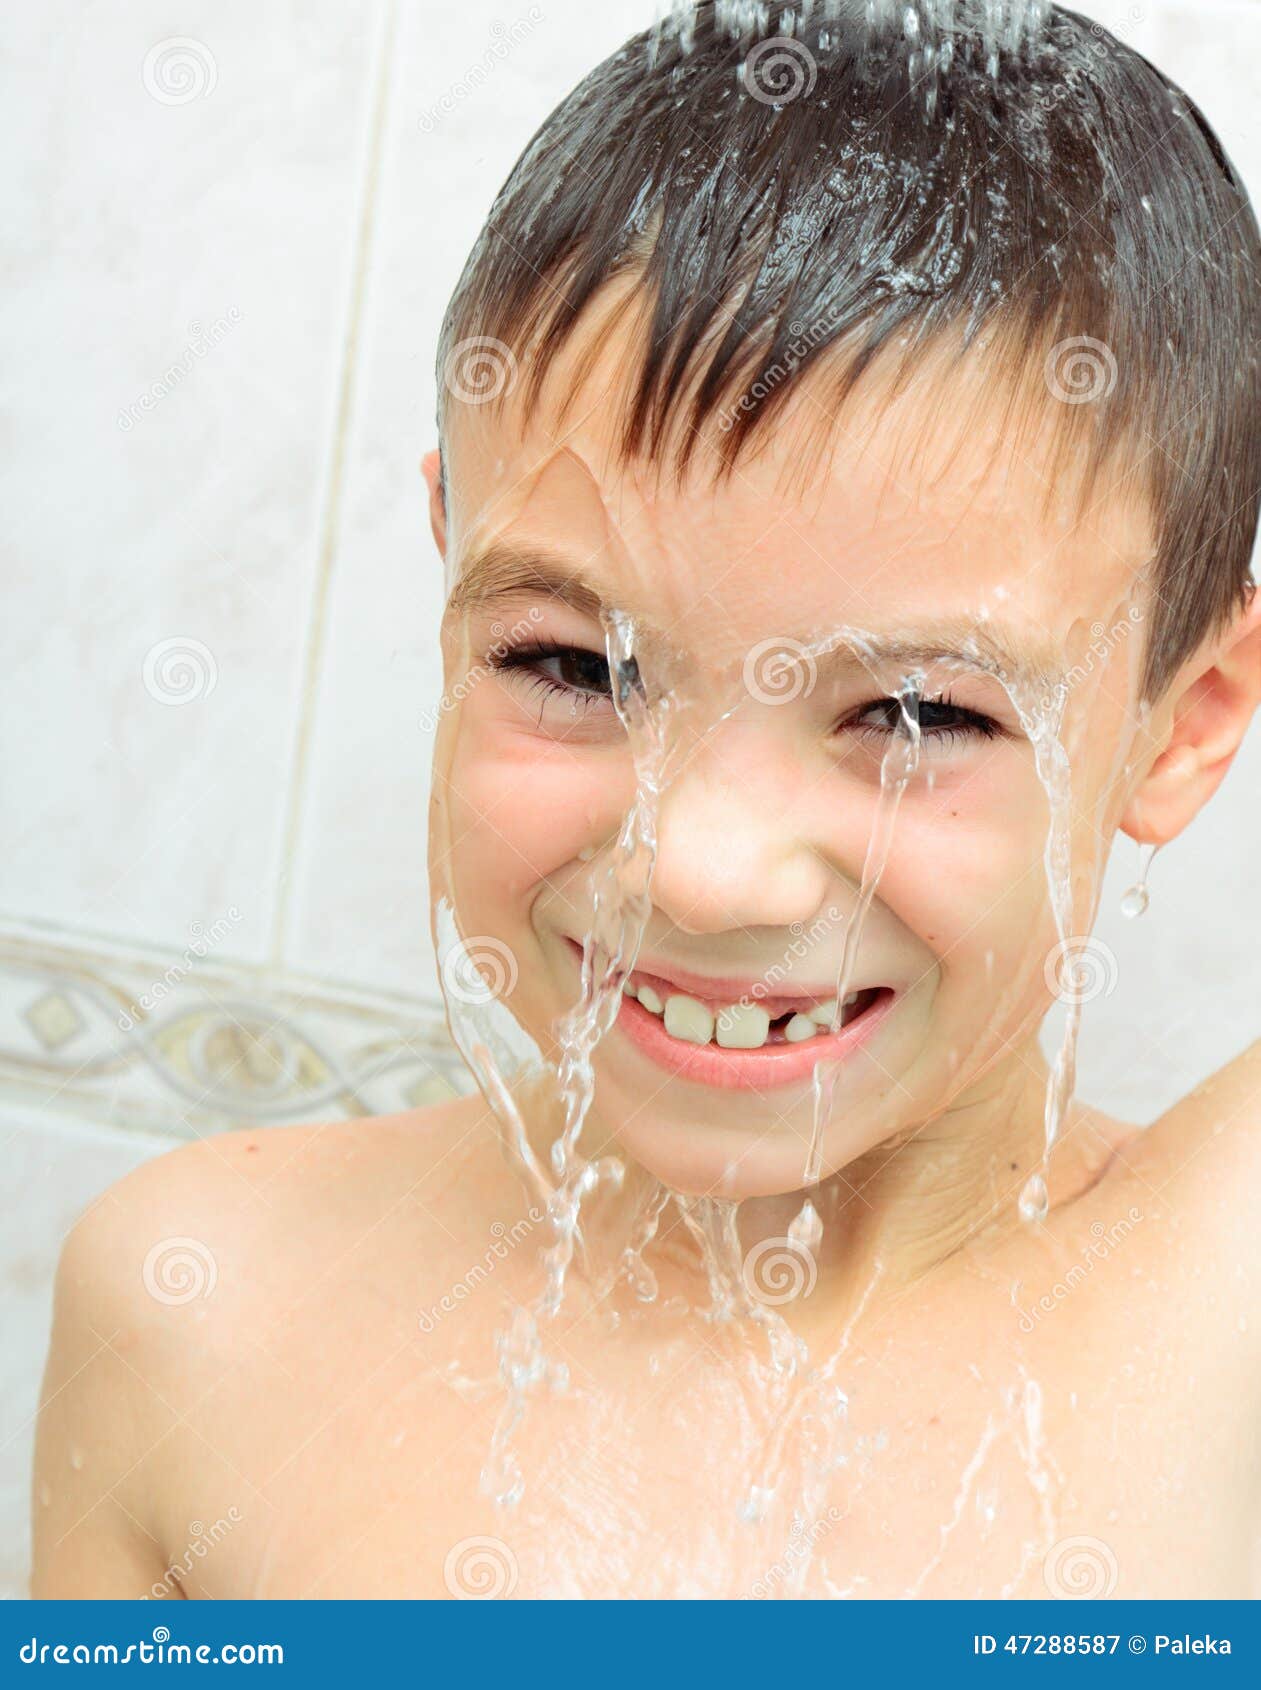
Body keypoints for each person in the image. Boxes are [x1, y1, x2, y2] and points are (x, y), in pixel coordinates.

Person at [32, 0, 1261, 1598]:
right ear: (449, 570)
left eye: (911, 710)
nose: (701, 868)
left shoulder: (1218, 1324)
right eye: (572, 666)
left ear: (1186, 722)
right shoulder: (196, 1316)